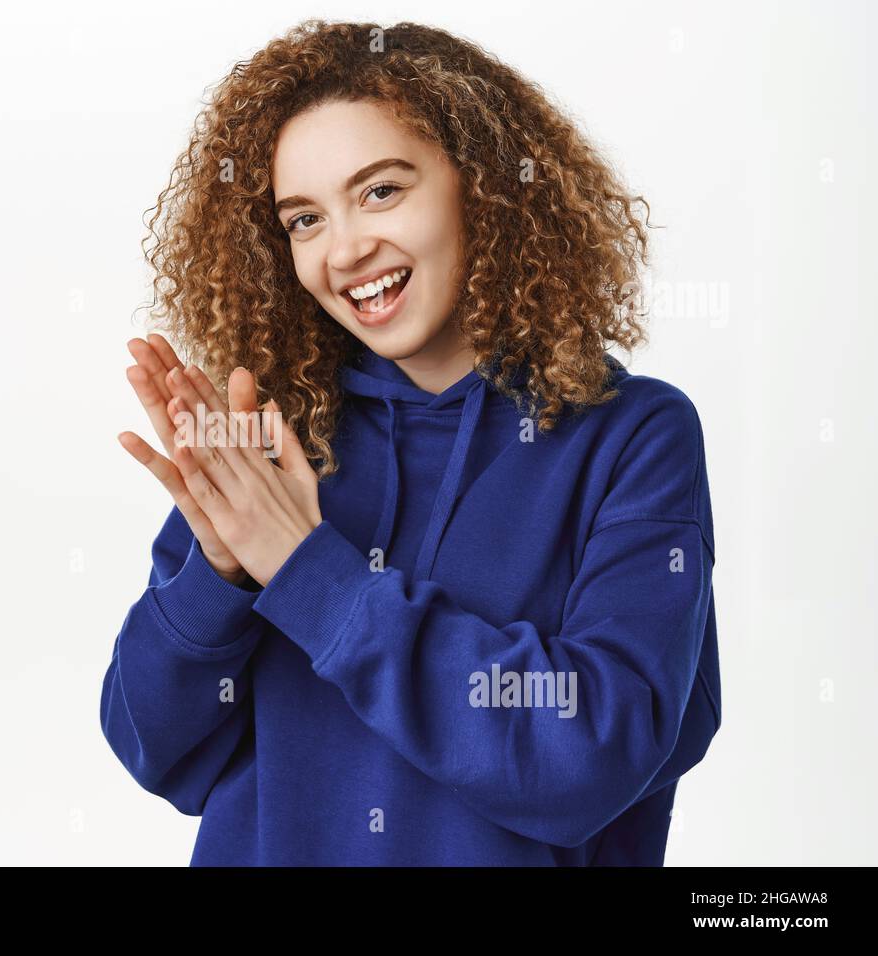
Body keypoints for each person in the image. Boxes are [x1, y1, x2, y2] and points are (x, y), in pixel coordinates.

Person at [101, 18, 721, 866]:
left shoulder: (633, 437)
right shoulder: (278, 439)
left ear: (484, 187)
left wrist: (309, 572)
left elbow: (592, 756)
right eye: (305, 220)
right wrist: (218, 579)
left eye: (382, 191)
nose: (347, 249)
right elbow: (156, 754)